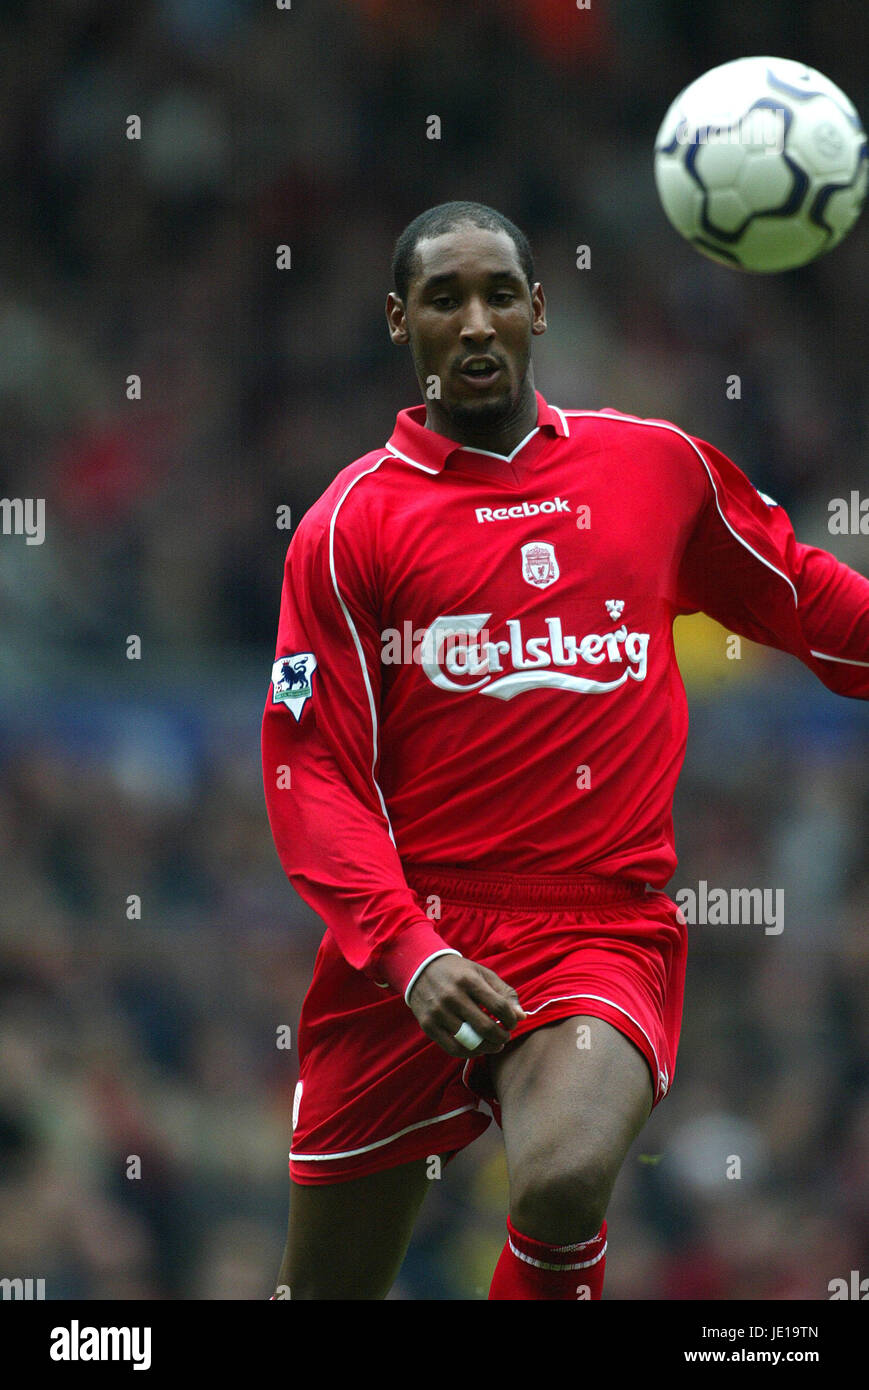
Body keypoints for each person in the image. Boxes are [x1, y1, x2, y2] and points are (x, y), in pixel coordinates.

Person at [261, 201, 868, 1300]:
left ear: (539, 307)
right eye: (445, 298)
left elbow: (809, 604)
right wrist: (406, 951)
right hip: (409, 939)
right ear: (400, 321)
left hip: (596, 924)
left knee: (559, 1182)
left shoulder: (654, 469)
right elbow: (312, 778)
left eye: (499, 292)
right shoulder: (347, 527)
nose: (477, 321)